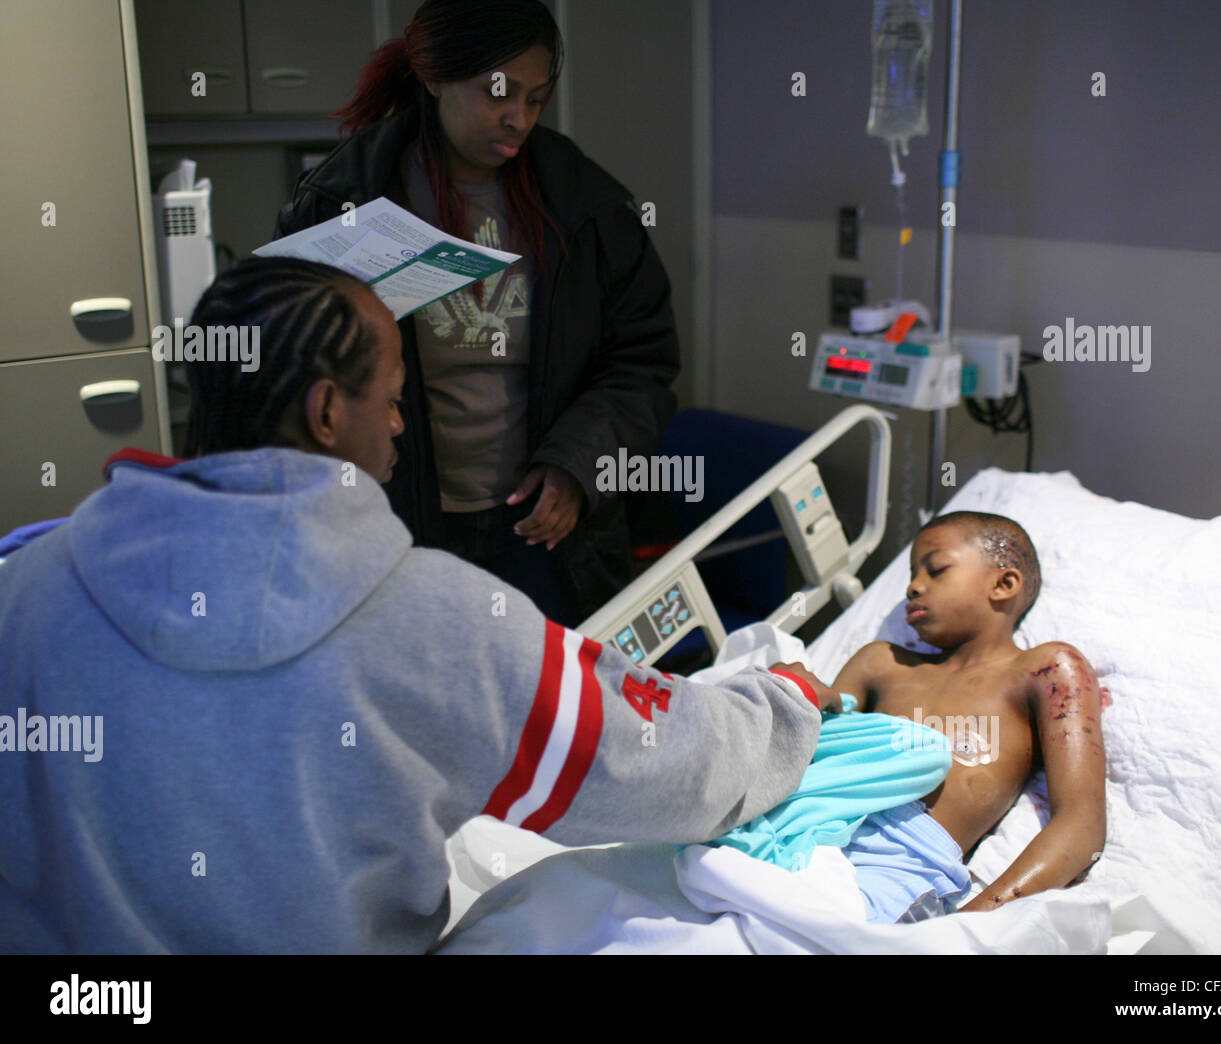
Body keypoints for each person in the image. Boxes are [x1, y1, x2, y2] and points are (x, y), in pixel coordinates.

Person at [0, 258, 840, 954]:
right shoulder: (436, 623)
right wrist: (784, 704)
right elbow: (663, 764)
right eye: (393, 397)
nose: (401, 425)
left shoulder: (28, 583)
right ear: (328, 413)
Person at [273, 0, 679, 626]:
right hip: (395, 523)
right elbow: (286, 369)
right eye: (498, 93)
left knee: (540, 684)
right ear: (435, 78)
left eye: (536, 99)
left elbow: (642, 363)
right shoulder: (341, 201)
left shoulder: (587, 208)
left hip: (539, 528)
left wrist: (578, 465)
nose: (520, 119)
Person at [829, 511, 1107, 920]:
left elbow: (1082, 826)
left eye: (936, 568)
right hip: (806, 833)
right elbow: (809, 746)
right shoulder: (880, 663)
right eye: (911, 574)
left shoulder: (1044, 669)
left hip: (893, 872)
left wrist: (969, 924)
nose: (913, 586)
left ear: (1003, 584)